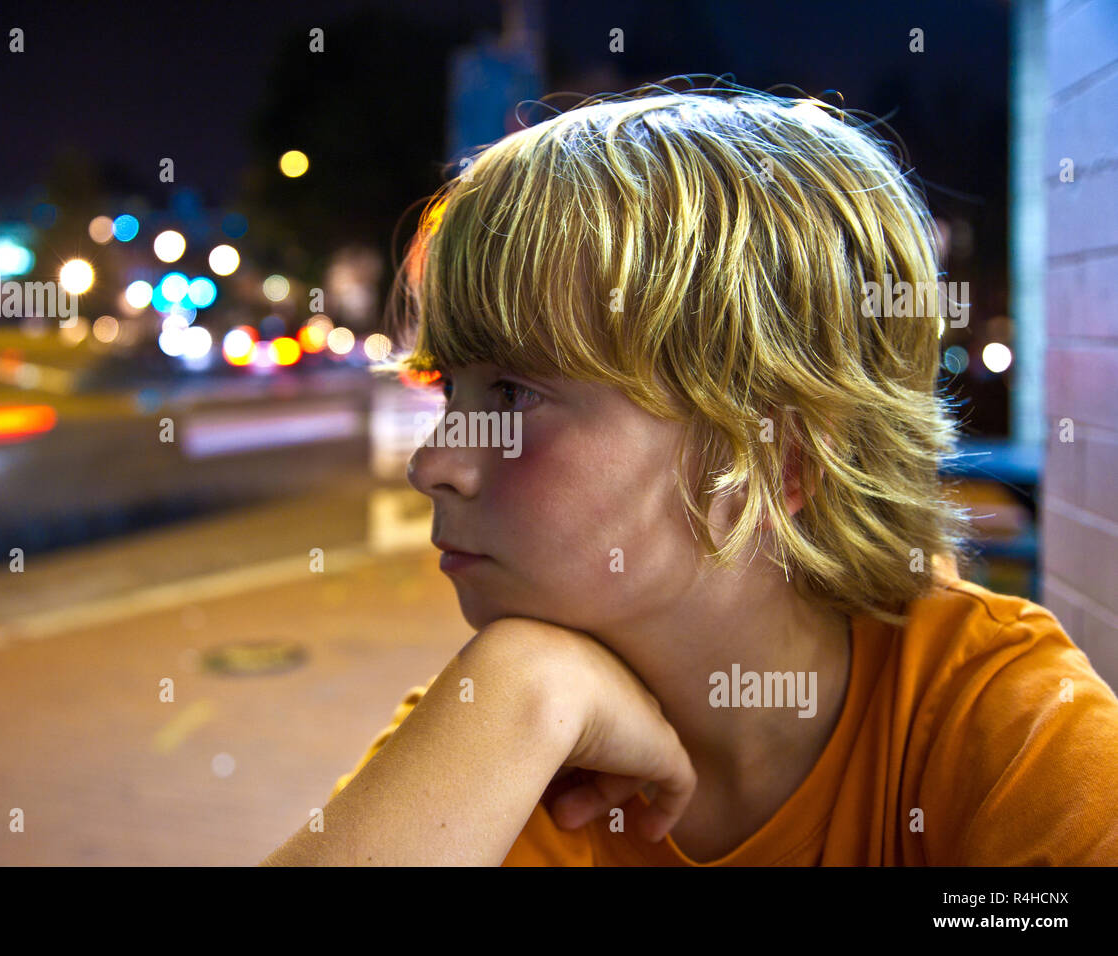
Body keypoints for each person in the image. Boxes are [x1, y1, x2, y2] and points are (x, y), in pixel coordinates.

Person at [260, 79, 1118, 866]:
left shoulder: (1002, 731)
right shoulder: (508, 738)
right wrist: (523, 688)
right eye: (453, 390)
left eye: (515, 394)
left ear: (777, 460)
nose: (432, 465)